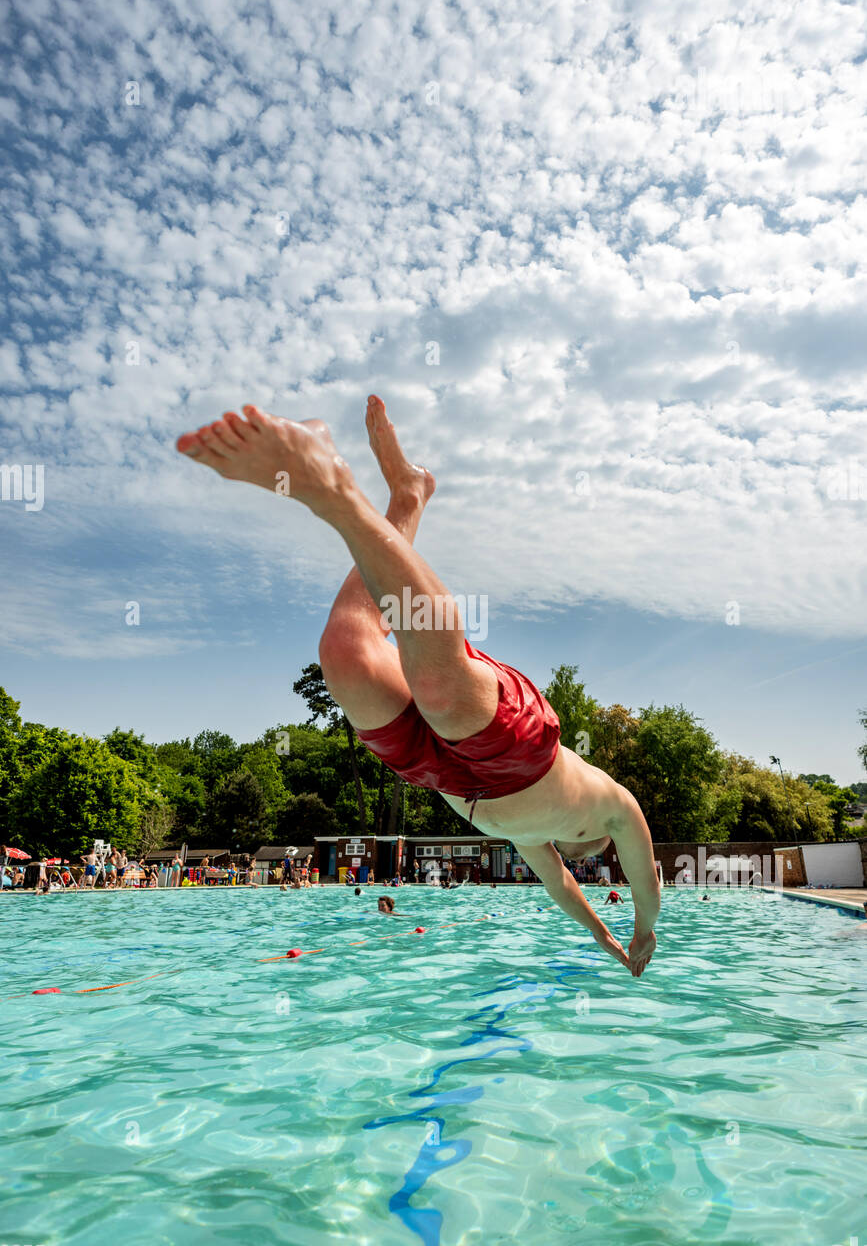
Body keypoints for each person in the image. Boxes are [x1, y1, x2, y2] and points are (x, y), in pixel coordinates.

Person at [177, 394, 660, 976]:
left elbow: (563, 892)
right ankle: (333, 490)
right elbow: (644, 876)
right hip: (521, 755)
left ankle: (407, 497)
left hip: (444, 777)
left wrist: (606, 941)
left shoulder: (536, 843)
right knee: (437, 682)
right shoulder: (614, 810)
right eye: (597, 857)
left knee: (347, 656)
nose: (586, 863)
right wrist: (643, 929)